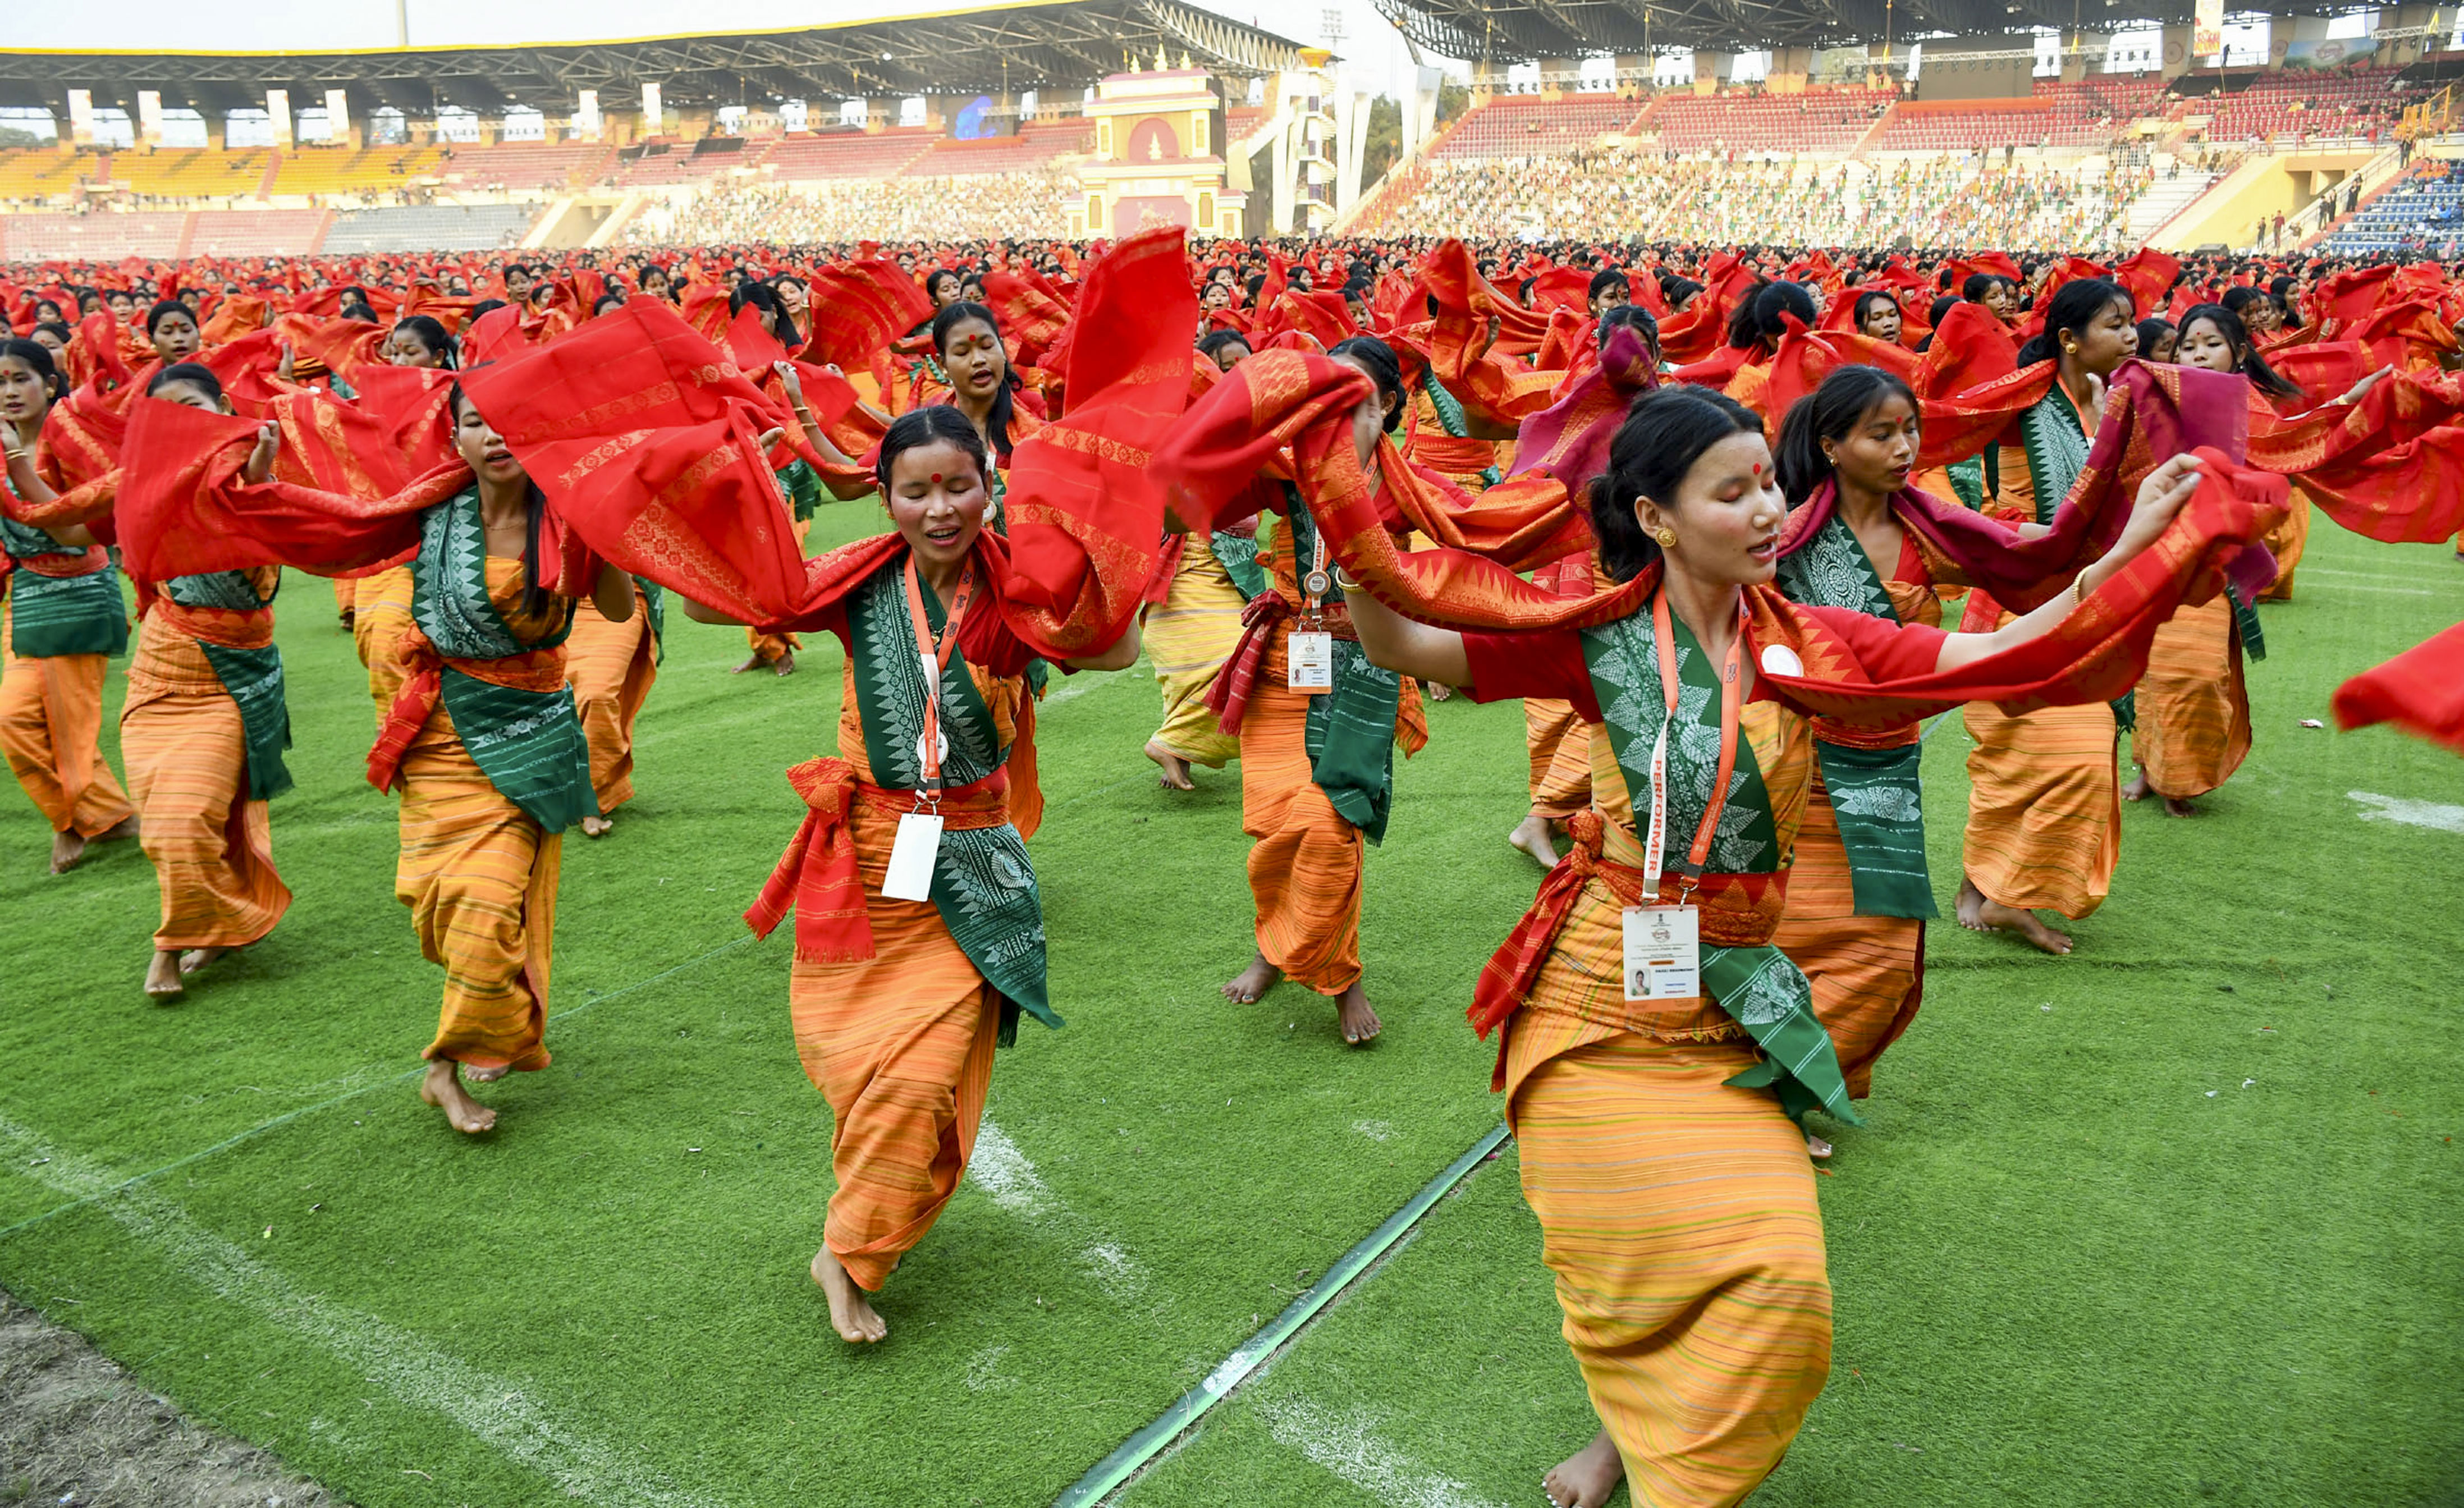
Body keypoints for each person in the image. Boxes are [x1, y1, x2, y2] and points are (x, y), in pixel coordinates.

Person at [1303, 375, 2222, 1508]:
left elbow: (2004, 652)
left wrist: (2128, 544)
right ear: (1654, 516)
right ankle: (1629, 1439)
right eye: (1730, 492)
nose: (1766, 511)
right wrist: (1342, 492)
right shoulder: (1595, 641)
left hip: (1730, 1007)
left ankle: (1655, 1448)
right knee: (1629, 1258)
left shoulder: (1815, 645)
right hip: (1596, 1001)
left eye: (1766, 486)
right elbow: (1400, 636)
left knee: (1781, 1290)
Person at [680, 406, 1141, 1343]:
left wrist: (1113, 539)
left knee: (924, 1081)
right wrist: (722, 500)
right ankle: (856, 1238)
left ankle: (847, 1251)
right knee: (866, 1066)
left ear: (989, 488)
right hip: (871, 862)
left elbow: (1113, 648)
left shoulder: (1011, 589)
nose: (940, 508)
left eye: (958, 486)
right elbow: (708, 604)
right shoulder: (857, 581)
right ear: (884, 497)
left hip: (972, 866)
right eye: (916, 490)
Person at [387, 388, 635, 1133]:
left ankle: (444, 1065)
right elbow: (334, 535)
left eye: (510, 424)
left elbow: (619, 608)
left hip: (527, 735)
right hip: (440, 735)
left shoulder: (562, 514)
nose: (494, 437)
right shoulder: (427, 512)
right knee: (444, 902)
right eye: (476, 423)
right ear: (455, 435)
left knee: (490, 902)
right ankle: (486, 1028)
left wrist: (599, 529)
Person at [1216, 336, 1428, 1044]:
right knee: (1277, 824)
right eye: (1323, 391)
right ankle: (1273, 948)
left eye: (1353, 393)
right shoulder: (1287, 468)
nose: (1334, 408)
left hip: (1363, 667)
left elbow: (1466, 543)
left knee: (1332, 827)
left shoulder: (1405, 485)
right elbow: (1207, 498)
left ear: (1387, 403)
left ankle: (1342, 978)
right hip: (1283, 660)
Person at [1957, 278, 2137, 955]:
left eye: (2131, 322)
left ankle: (1996, 888)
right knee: (2021, 754)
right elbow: (1960, 449)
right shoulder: (2026, 399)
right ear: (2069, 339)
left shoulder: (2121, 399)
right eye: (2114, 325)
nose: (2130, 336)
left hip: (2088, 602)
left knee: (2061, 755)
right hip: (2018, 599)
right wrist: (2048, 540)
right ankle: (1993, 888)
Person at [106, 365, 294, 999]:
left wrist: (260, 468)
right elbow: (68, 522)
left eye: (192, 405)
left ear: (223, 406)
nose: (182, 421)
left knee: (184, 819)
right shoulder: (145, 481)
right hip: (160, 672)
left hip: (230, 679)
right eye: (167, 413)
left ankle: (170, 945)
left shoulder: (254, 470)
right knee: (166, 818)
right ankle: (218, 920)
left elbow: (267, 524)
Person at [2124, 303, 2300, 815]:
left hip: (2215, 564)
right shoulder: (2157, 400)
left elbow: (2287, 461)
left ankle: (2180, 775)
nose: (2198, 354)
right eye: (2188, 346)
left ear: (2239, 351)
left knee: (2199, 674)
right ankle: (2150, 768)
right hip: (2157, 551)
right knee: (2152, 670)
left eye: (2211, 344)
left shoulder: (2254, 409)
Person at [0, 338, 137, 874]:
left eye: (20, 379)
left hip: (80, 590)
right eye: (0, 383)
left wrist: (17, 462)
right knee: (13, 719)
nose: (9, 392)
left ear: (50, 384)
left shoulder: (71, 439)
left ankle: (74, 821)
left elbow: (79, 526)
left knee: (69, 722)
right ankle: (99, 816)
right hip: (27, 593)